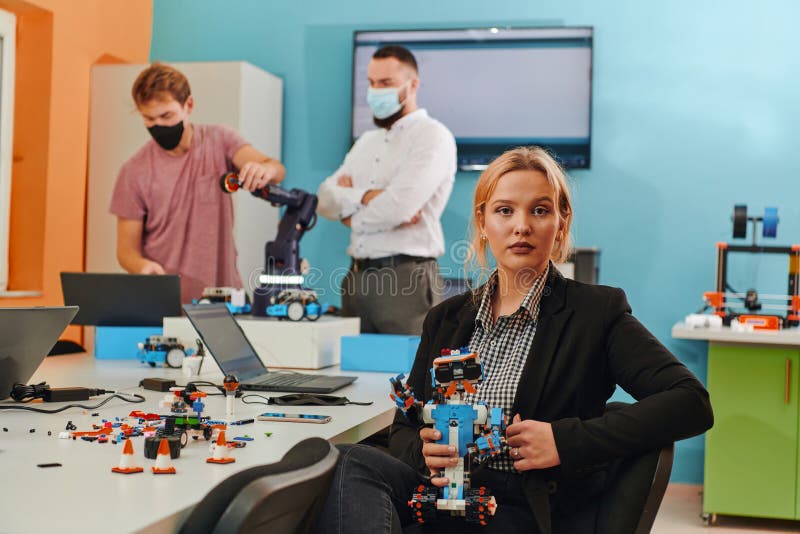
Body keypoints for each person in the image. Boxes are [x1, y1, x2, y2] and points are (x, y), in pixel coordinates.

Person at [312, 147, 713, 534]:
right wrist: (423, 450)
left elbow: (690, 401)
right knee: (345, 461)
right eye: (505, 210)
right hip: (442, 495)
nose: (522, 226)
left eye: (540, 210)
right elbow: (406, 425)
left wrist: (564, 441)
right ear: (483, 222)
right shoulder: (446, 319)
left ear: (561, 222)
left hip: (521, 509)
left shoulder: (595, 313)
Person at [110, 63, 286, 303]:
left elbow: (276, 170)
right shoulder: (134, 171)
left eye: (167, 116)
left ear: (189, 105)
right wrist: (141, 266)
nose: (158, 126)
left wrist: (264, 169)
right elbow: (126, 251)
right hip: (166, 304)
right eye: (149, 118)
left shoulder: (220, 140)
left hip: (224, 298)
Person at [316, 45, 456, 335]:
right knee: (353, 363)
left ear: (412, 85)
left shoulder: (433, 136)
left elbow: (398, 207)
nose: (375, 91)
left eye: (385, 83)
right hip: (355, 278)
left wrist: (350, 216)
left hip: (405, 281)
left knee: (410, 365)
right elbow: (325, 199)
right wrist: (366, 197)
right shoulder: (365, 142)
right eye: (371, 83)